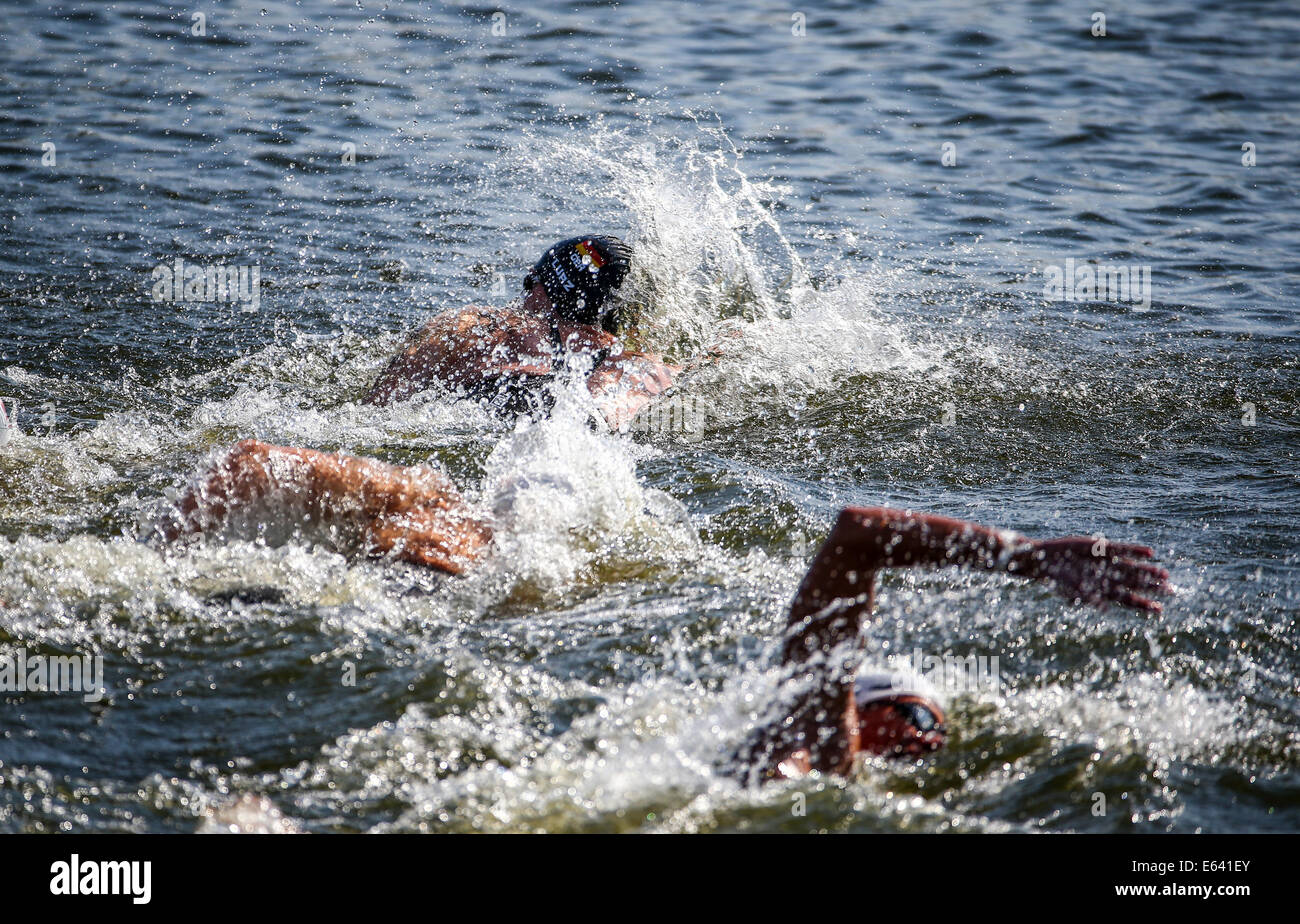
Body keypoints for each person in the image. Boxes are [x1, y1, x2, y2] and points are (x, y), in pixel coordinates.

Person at [734, 506, 1171, 782]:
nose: (928, 734)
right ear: (856, 707)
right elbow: (857, 533)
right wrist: (1029, 558)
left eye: (934, 723)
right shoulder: (820, 724)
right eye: (912, 712)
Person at [364, 236, 678, 431]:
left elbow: (374, 412)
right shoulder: (645, 368)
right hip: (580, 432)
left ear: (538, 283)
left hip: (478, 415)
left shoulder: (469, 327)